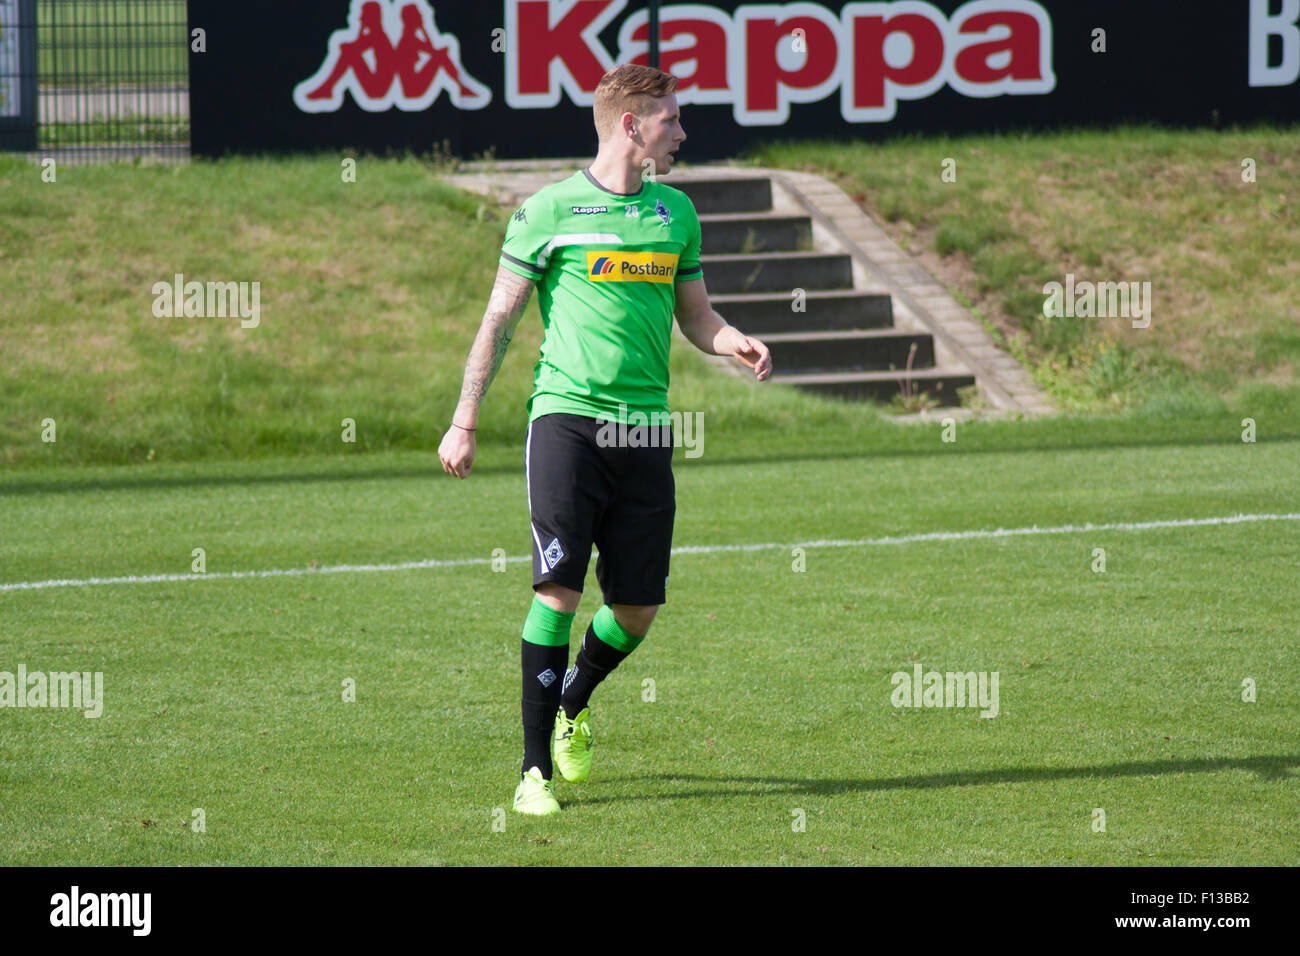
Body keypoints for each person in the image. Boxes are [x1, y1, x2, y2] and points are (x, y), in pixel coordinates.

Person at [438, 63, 772, 815]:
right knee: (557, 590)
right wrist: (465, 419)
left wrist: (732, 341)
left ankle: (574, 702)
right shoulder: (547, 211)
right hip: (566, 422)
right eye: (671, 121)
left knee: (638, 609)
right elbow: (498, 320)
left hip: (645, 429)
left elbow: (696, 316)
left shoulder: (675, 215)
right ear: (631, 125)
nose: (682, 133)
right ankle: (533, 776)